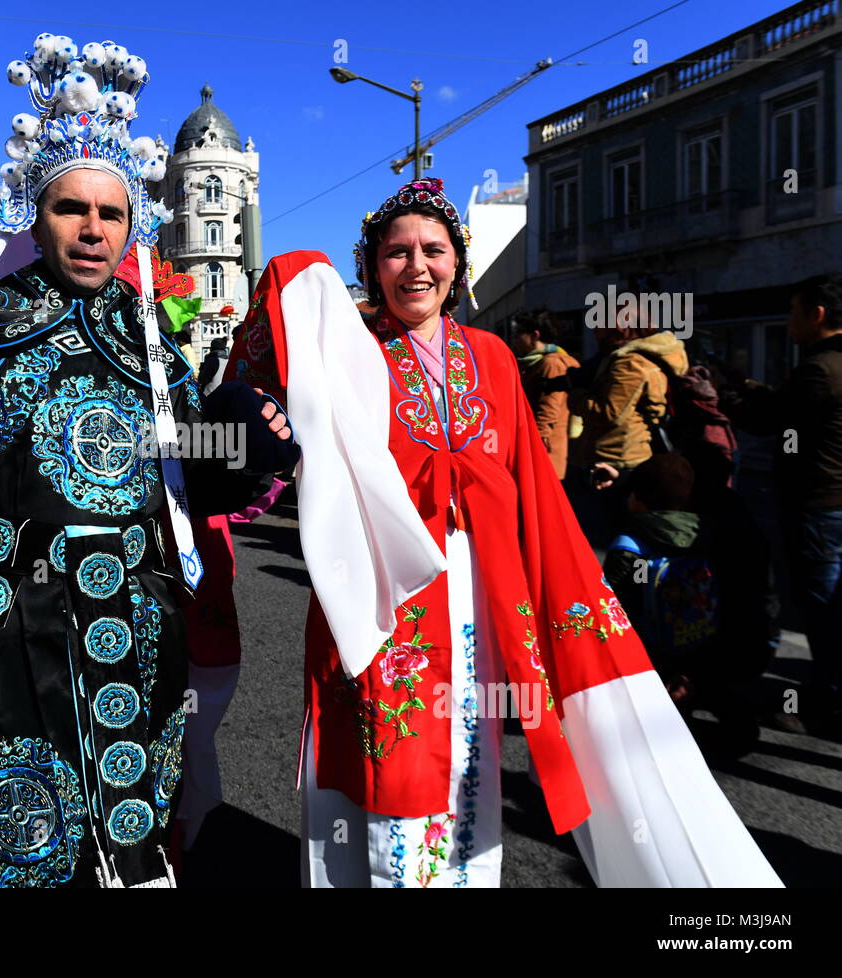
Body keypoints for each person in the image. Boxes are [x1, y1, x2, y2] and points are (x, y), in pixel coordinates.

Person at [228, 177, 779, 887]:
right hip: (380, 590)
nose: (416, 266)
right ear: (370, 266)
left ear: (459, 263)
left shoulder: (490, 356)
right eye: (395, 253)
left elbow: (531, 484)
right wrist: (303, 280)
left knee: (466, 751)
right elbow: (266, 338)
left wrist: (570, 585)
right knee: (385, 757)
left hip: (478, 590)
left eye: (433, 249)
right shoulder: (348, 350)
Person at [0, 33, 298, 889]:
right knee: (17, 841)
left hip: (137, 629)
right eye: (74, 210)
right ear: (37, 215)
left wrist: (248, 433)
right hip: (2, 635)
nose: (94, 230)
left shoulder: (149, 345)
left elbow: (193, 474)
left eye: (112, 214)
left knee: (130, 843)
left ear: (133, 224)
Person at [725, 275, 842, 734]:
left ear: (816, 314)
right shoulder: (828, 366)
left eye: (794, 311)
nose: (788, 322)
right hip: (834, 499)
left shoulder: (820, 368)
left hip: (819, 503)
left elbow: (771, 421)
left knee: (822, 607)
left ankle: (827, 704)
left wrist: (731, 399)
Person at [604, 454, 773, 752]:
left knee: (663, 696)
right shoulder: (706, 531)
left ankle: (669, 742)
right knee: (708, 687)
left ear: (639, 500)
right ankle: (738, 731)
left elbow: (613, 605)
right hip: (703, 637)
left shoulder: (630, 544)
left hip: (654, 645)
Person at [566, 306, 688, 547]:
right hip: (618, 457)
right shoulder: (628, 357)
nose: (594, 332)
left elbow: (607, 412)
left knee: (606, 540)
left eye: (598, 324)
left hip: (614, 459)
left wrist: (575, 396)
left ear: (619, 326)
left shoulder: (630, 362)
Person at [511, 312, 579, 480]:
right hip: (540, 445)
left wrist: (539, 441)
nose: (515, 339)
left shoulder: (552, 363)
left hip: (547, 449)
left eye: (519, 333)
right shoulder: (536, 363)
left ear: (535, 335)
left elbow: (549, 407)